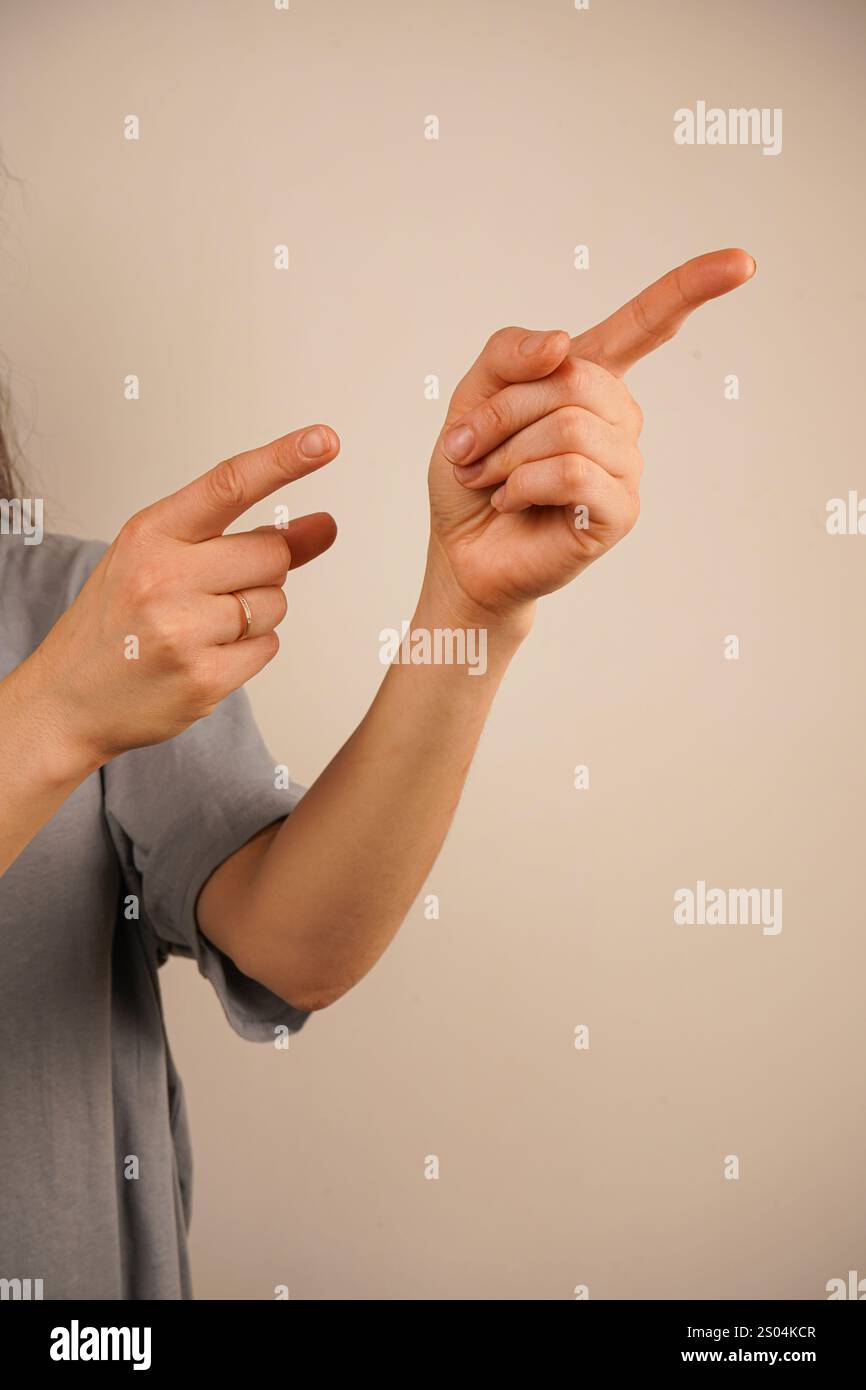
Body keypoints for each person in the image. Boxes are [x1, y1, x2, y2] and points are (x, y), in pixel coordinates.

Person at [0, 249, 756, 1299]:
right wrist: (50, 718)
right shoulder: (79, 662)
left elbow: (295, 942)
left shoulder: (79, 610)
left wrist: (468, 612)